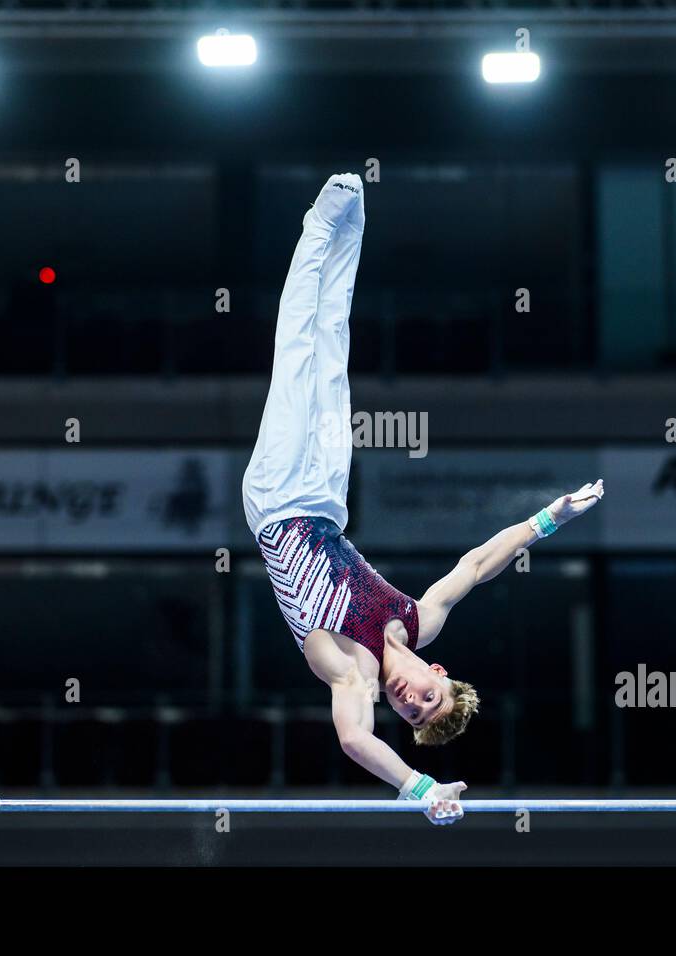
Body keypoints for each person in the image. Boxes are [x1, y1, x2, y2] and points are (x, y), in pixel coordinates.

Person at [242, 174, 605, 824]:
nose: (409, 700)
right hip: (326, 502)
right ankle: (349, 226)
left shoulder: (349, 667)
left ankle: (316, 228)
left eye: (408, 711)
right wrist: (550, 517)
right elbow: (474, 567)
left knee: (296, 357)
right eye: (426, 698)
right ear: (439, 671)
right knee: (333, 356)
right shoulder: (419, 622)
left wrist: (417, 787)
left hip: (276, 503)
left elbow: (354, 738)